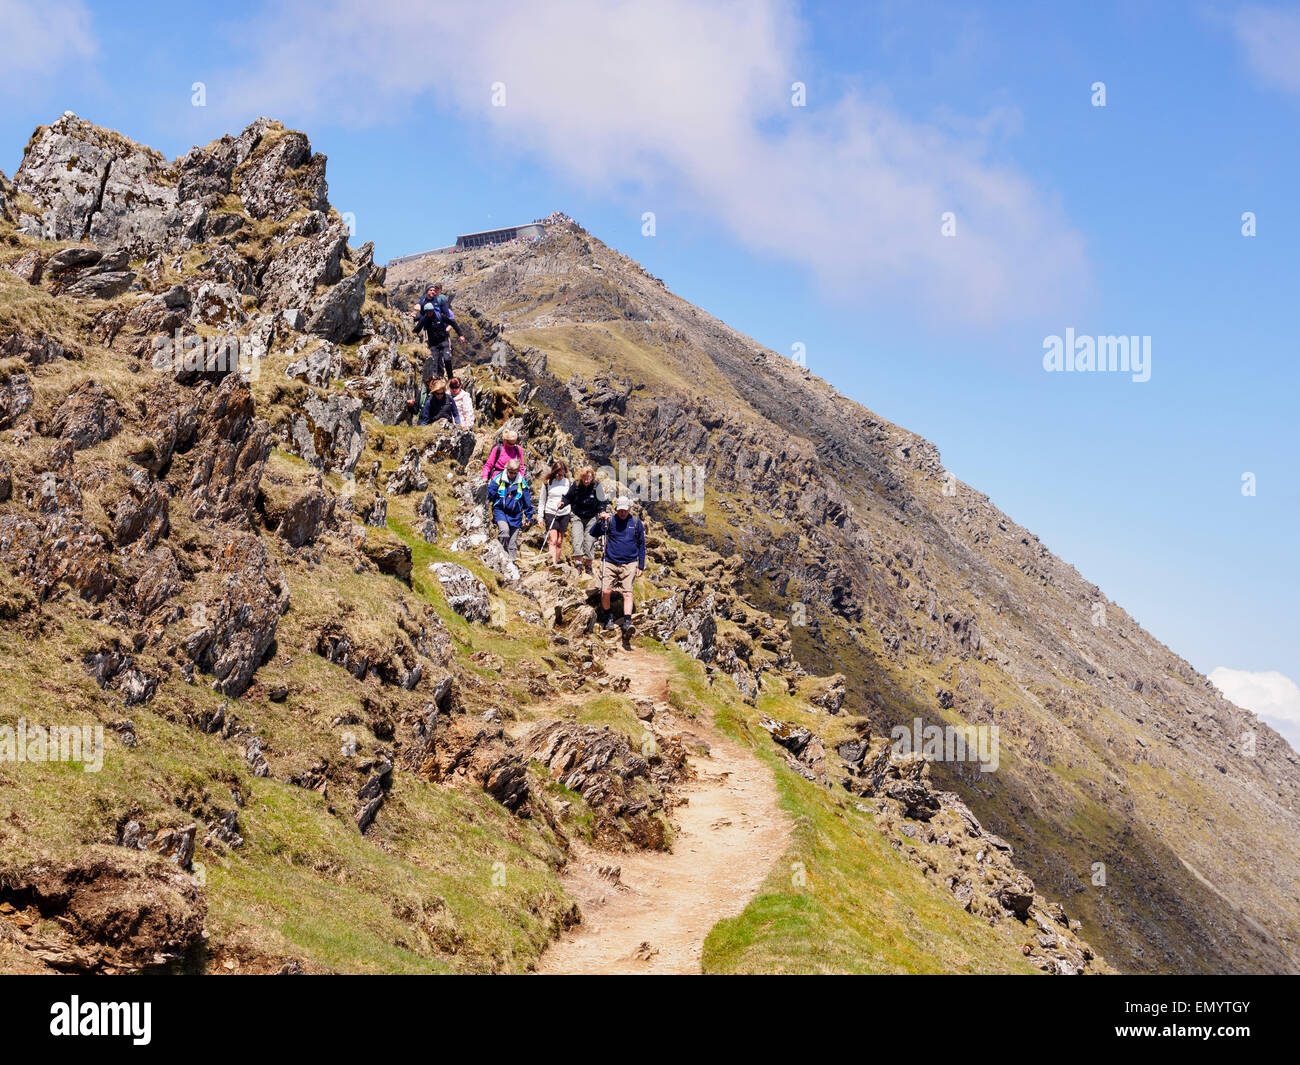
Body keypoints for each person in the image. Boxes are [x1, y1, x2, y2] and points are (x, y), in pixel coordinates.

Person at [592, 496, 645, 633]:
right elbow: (593, 533)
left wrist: (641, 565)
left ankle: (627, 622)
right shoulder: (609, 521)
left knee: (627, 593)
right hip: (610, 561)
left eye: (625, 510)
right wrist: (600, 520)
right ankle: (608, 616)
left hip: (629, 563)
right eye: (620, 510)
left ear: (629, 509)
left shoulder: (635, 522)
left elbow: (641, 544)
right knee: (605, 591)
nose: (622, 513)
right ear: (616, 509)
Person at [412, 284, 461, 380]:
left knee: (445, 357)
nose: (434, 292)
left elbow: (448, 317)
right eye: (431, 290)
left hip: (442, 332)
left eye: (435, 290)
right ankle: (435, 376)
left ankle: (443, 376)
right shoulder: (423, 301)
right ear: (427, 291)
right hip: (429, 332)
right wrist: (415, 317)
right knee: (434, 356)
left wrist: (447, 328)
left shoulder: (439, 301)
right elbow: (422, 316)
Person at [488, 458, 534, 562]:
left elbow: (527, 500)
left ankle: (512, 563)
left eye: (514, 473)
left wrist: (528, 516)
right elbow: (490, 493)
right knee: (504, 531)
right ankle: (502, 557)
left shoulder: (521, 483)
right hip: (500, 511)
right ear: (506, 469)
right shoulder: (499, 479)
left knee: (512, 543)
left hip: (516, 514)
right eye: (510, 472)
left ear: (518, 472)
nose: (512, 475)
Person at [561, 465, 604, 576]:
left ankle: (588, 566)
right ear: (581, 477)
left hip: (591, 516)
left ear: (592, 477)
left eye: (588, 478)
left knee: (589, 540)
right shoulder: (576, 485)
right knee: (576, 538)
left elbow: (601, 502)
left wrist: (602, 511)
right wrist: (562, 503)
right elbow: (568, 497)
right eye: (584, 478)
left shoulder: (597, 486)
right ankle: (578, 564)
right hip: (577, 515)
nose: (586, 480)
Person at [539, 460, 571, 567]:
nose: (560, 477)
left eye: (562, 475)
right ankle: (551, 564)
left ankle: (556, 564)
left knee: (559, 540)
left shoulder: (567, 482)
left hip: (564, 513)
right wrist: (540, 517)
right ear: (554, 473)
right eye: (558, 475)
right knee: (553, 539)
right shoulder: (547, 483)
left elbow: (571, 498)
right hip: (550, 512)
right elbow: (542, 500)